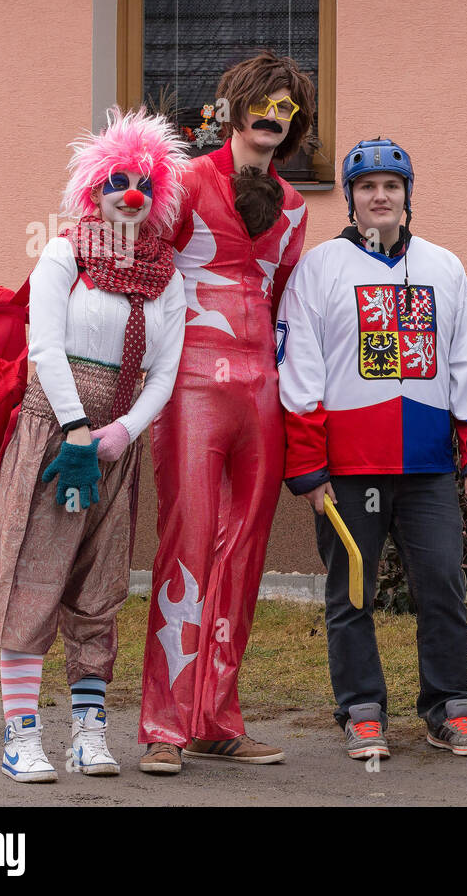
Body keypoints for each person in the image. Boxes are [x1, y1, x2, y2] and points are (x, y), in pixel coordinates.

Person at [278, 138, 467, 761]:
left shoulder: (444, 267)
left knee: (442, 585)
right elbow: (299, 369)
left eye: (392, 186)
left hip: (428, 465)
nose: (380, 196)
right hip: (349, 468)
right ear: (351, 197)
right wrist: (307, 465)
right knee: (352, 592)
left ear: (408, 195)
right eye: (366, 186)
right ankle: (361, 710)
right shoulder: (319, 268)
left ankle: (448, 710)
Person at [0, 107, 187, 782]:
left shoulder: (167, 274)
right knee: (33, 579)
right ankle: (22, 737)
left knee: (100, 587)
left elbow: (165, 372)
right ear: (95, 189)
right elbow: (43, 345)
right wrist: (77, 430)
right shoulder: (66, 251)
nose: (131, 194)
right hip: (54, 435)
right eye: (118, 181)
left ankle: (88, 734)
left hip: (117, 446)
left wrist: (122, 434)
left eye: (145, 183)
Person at [138, 50, 313, 774]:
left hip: (261, 397)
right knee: (187, 542)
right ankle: (163, 726)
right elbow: (138, 272)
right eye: (262, 105)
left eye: (287, 110)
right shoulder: (181, 183)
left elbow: (290, 308)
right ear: (235, 107)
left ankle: (216, 717)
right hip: (191, 391)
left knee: (243, 557)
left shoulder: (297, 209)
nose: (273, 119)